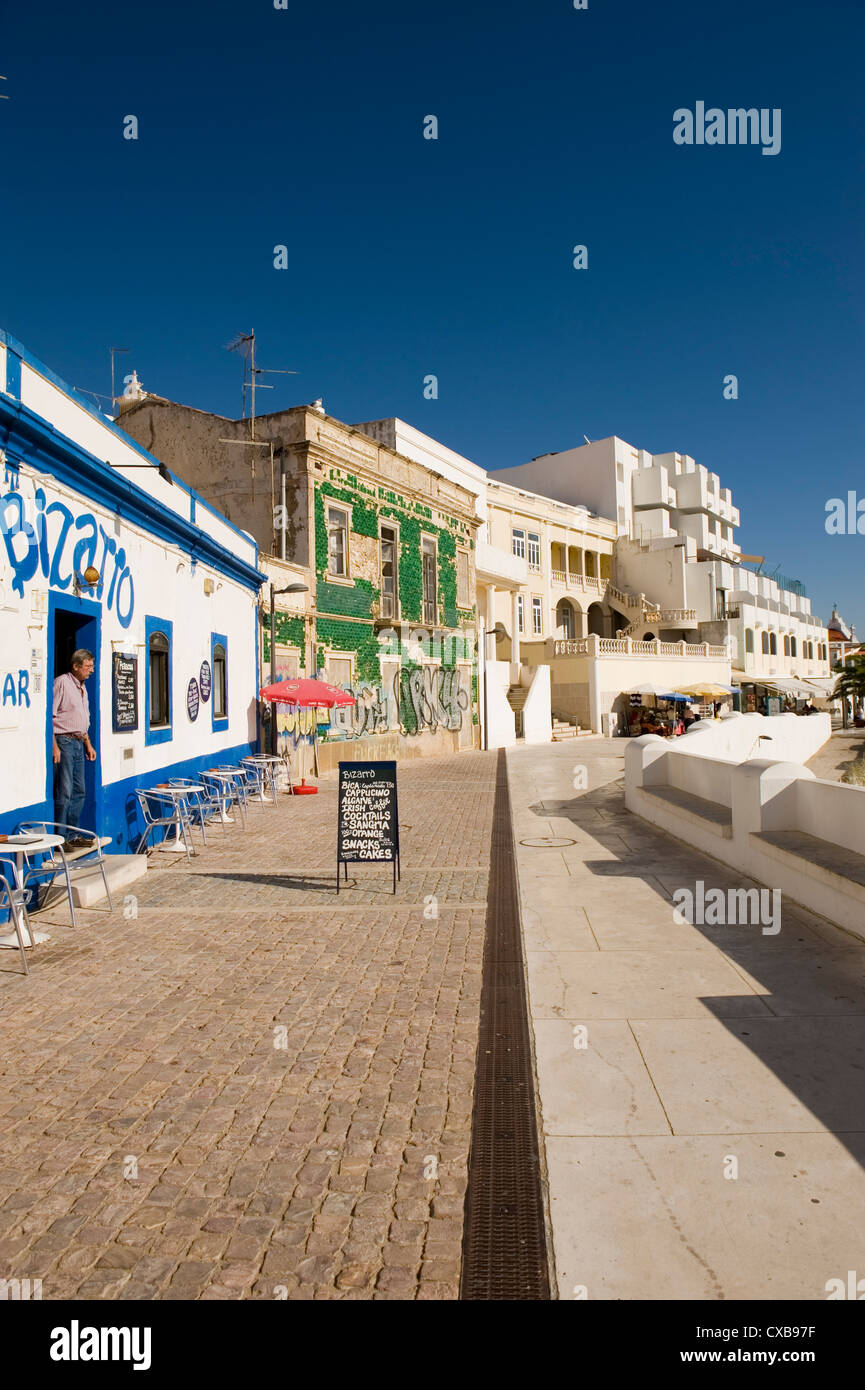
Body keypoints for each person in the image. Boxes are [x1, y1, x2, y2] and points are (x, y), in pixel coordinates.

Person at [53, 649, 97, 849]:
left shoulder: (82, 687)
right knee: (65, 791)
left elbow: (83, 719)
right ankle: (60, 838)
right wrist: (54, 746)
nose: (91, 671)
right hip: (65, 741)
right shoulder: (62, 683)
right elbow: (51, 716)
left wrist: (88, 743)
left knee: (80, 791)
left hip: (79, 742)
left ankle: (72, 834)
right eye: (88, 667)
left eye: (92, 666)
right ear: (76, 666)